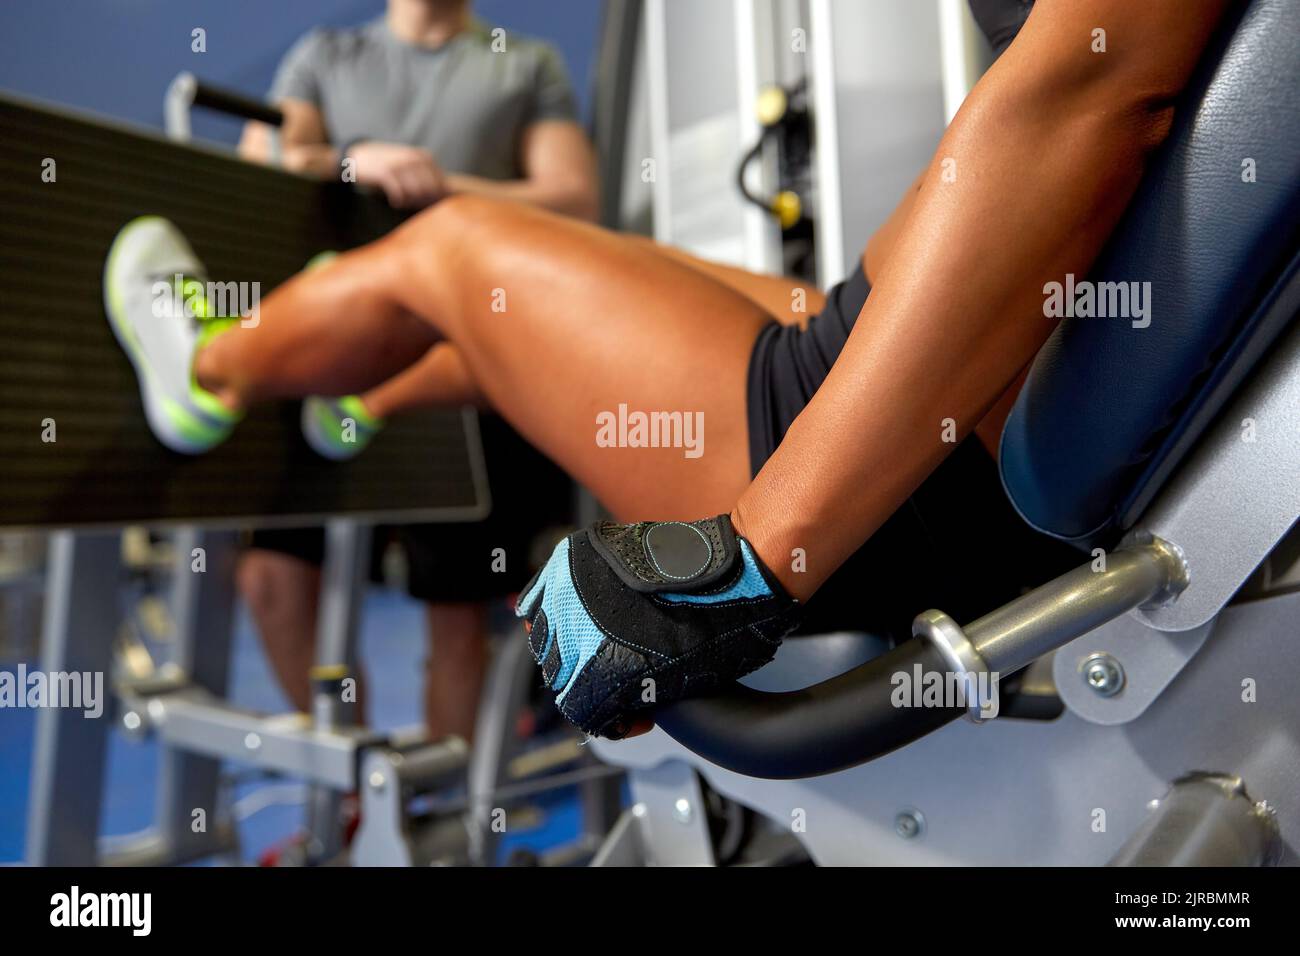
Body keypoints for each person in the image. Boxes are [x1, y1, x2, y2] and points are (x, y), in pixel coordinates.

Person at [103, 0, 1232, 740]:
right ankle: (358, 390)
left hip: (906, 464)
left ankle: (206, 367)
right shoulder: (332, 58)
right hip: (931, 382)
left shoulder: (522, 63)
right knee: (611, 281)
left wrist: (744, 563)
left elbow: (1090, 92)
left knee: (445, 258)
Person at [232, 0, 599, 741]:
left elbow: (574, 199)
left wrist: (443, 188)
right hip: (334, 362)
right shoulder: (326, 54)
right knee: (271, 581)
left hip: (461, 369)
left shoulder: (524, 63)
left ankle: (441, 818)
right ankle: (354, 793)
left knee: (455, 612)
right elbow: (258, 158)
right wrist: (353, 161)